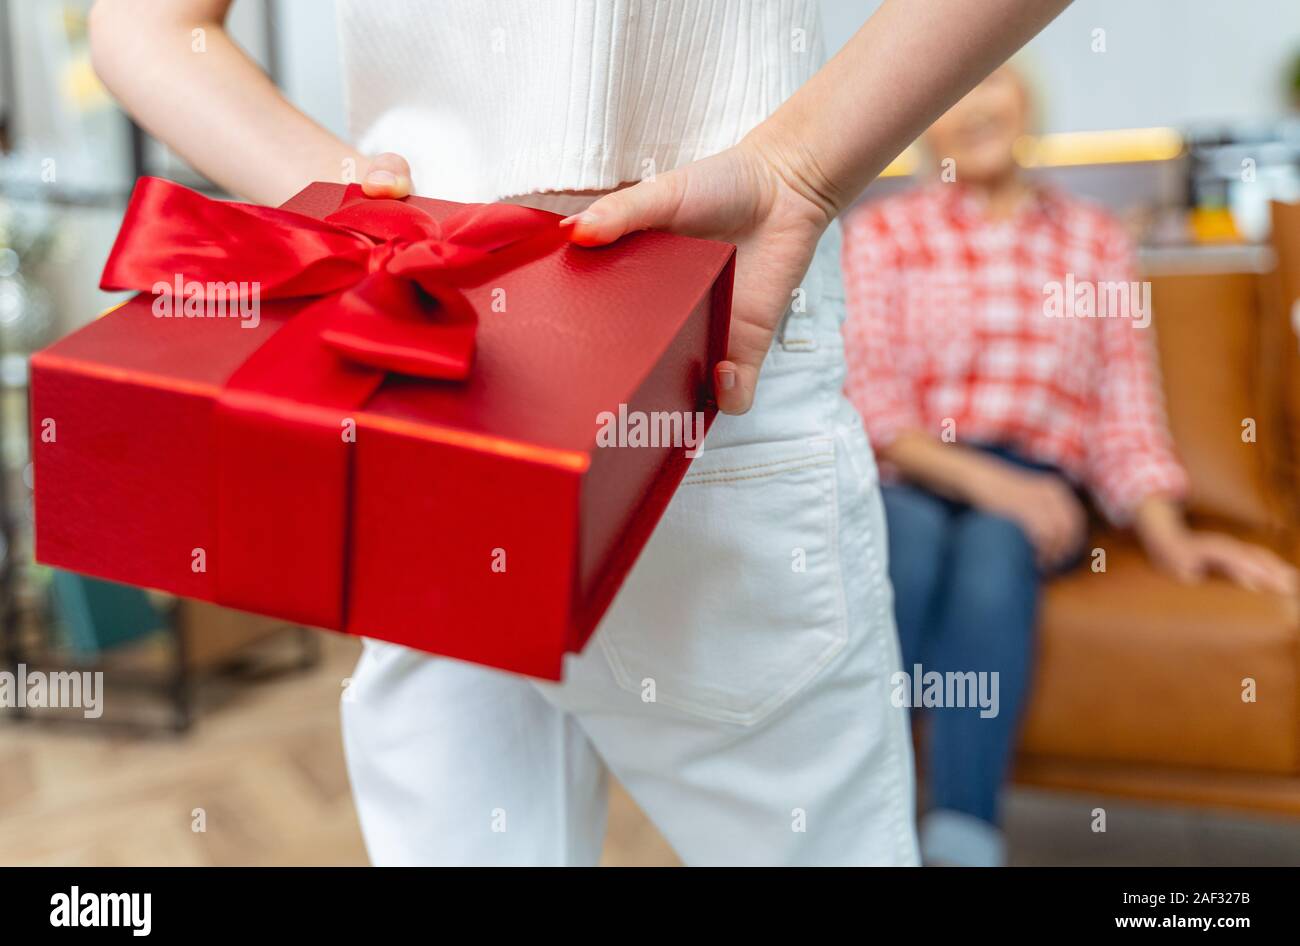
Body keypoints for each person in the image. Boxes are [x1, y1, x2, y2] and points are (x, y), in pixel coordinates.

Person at [90, 0, 1075, 865]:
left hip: (436, 385)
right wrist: (796, 169)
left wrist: (362, 207)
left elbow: (142, 24)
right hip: (678, 366)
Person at [841, 64, 1299, 867]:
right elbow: (872, 403)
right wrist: (995, 485)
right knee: (906, 547)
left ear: (1025, 101)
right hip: (910, 473)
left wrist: (1175, 539)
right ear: (926, 125)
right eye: (950, 95)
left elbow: (1126, 410)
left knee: (991, 553)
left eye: (990, 82)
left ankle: (960, 840)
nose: (975, 107)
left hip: (1034, 482)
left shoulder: (1094, 241)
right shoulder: (882, 235)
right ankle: (857, 832)